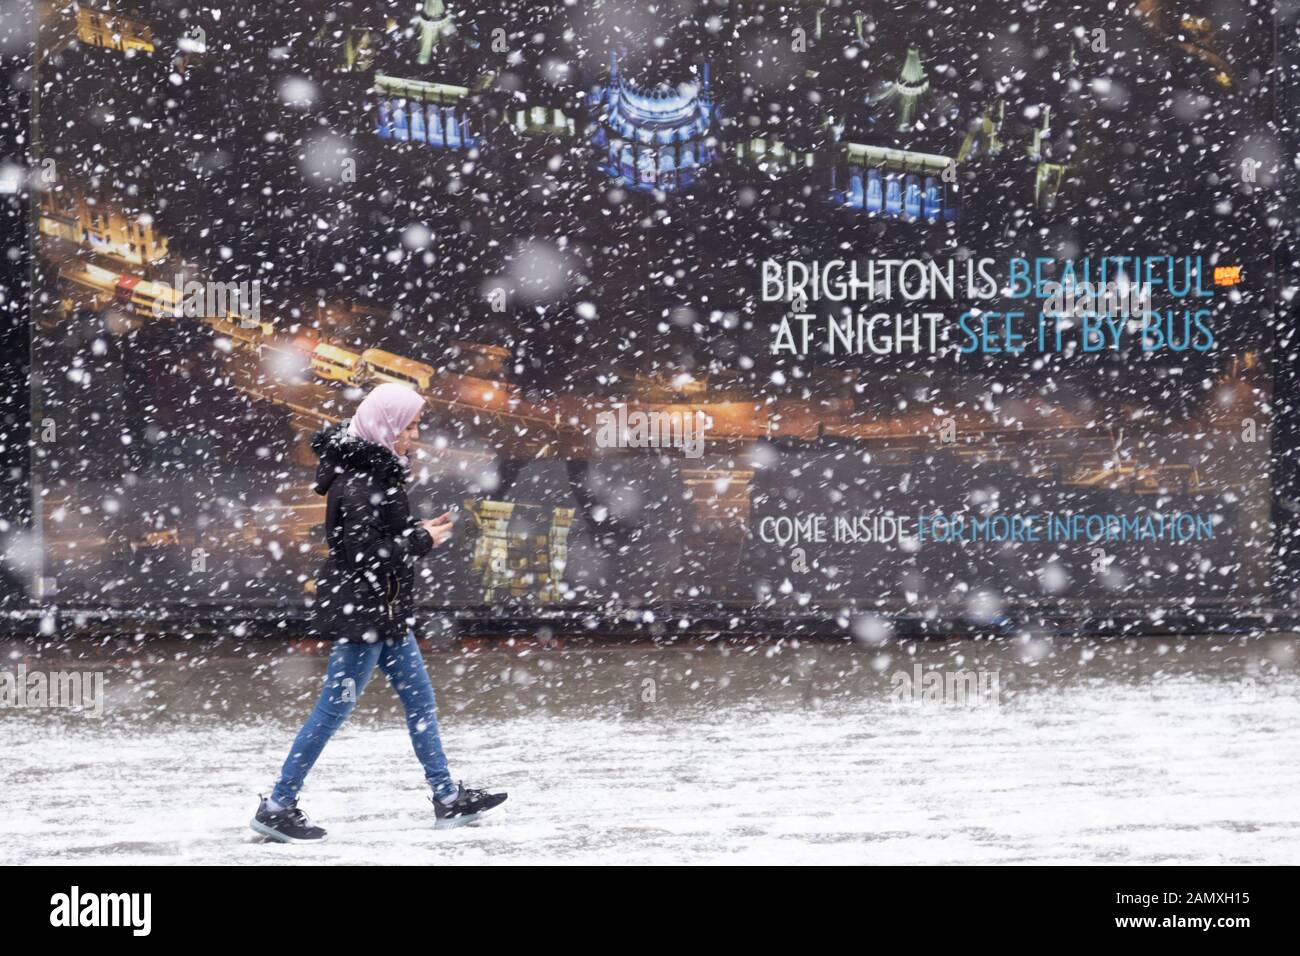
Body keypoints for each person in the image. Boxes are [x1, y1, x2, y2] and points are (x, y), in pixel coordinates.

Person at [251, 382, 506, 843]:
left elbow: (381, 536)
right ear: (388, 427)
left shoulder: (379, 471)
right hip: (363, 615)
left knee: (420, 703)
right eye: (410, 425)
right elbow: (361, 553)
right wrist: (419, 541)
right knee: (333, 709)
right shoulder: (361, 479)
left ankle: (447, 798)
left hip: (385, 612)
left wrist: (415, 530)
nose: (416, 433)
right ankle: (278, 805)